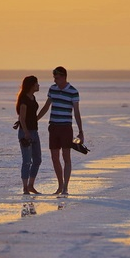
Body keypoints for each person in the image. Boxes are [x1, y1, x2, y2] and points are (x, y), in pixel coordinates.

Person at [38, 66, 83, 196]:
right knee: (54, 157)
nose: (55, 80)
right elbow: (46, 106)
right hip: (54, 127)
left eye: (57, 77)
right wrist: (35, 119)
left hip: (66, 127)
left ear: (63, 76)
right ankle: (59, 186)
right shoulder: (52, 89)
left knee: (66, 157)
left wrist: (81, 131)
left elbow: (77, 112)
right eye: (54, 77)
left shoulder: (73, 91)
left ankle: (65, 187)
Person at [14, 75, 45, 195]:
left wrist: (36, 120)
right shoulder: (24, 99)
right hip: (25, 132)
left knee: (37, 159)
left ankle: (31, 185)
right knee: (27, 160)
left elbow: (33, 115)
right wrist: (26, 132)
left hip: (34, 131)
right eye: (37, 83)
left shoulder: (33, 97)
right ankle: (25, 187)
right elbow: (22, 118)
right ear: (31, 85)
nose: (38, 85)